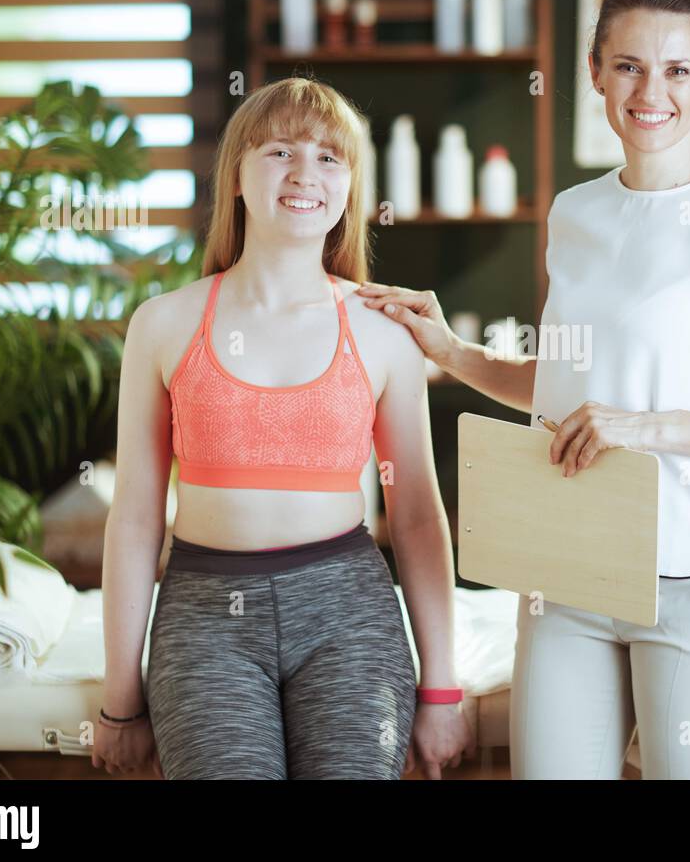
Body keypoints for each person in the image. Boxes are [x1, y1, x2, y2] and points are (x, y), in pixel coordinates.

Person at [358, 0, 690, 779]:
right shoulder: (574, 214)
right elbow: (563, 385)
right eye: (629, 67)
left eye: (679, 71)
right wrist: (452, 352)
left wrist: (638, 427)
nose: (653, 93)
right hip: (570, 572)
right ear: (596, 74)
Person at [94, 77, 472, 779]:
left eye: (330, 158)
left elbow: (417, 514)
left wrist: (441, 689)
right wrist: (123, 698)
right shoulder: (164, 323)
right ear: (236, 173)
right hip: (204, 620)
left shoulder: (384, 330)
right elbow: (136, 518)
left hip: (348, 615)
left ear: (351, 187)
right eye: (279, 152)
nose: (306, 174)